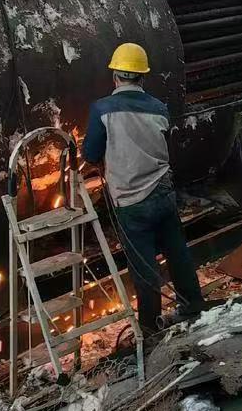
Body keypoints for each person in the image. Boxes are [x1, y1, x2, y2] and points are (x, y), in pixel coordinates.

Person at [82, 42, 205, 336]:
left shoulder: (102, 109)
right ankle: (193, 306)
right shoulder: (160, 109)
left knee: (144, 266)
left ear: (115, 76)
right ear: (142, 77)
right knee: (177, 253)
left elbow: (90, 154)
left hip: (131, 202)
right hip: (163, 193)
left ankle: (150, 326)